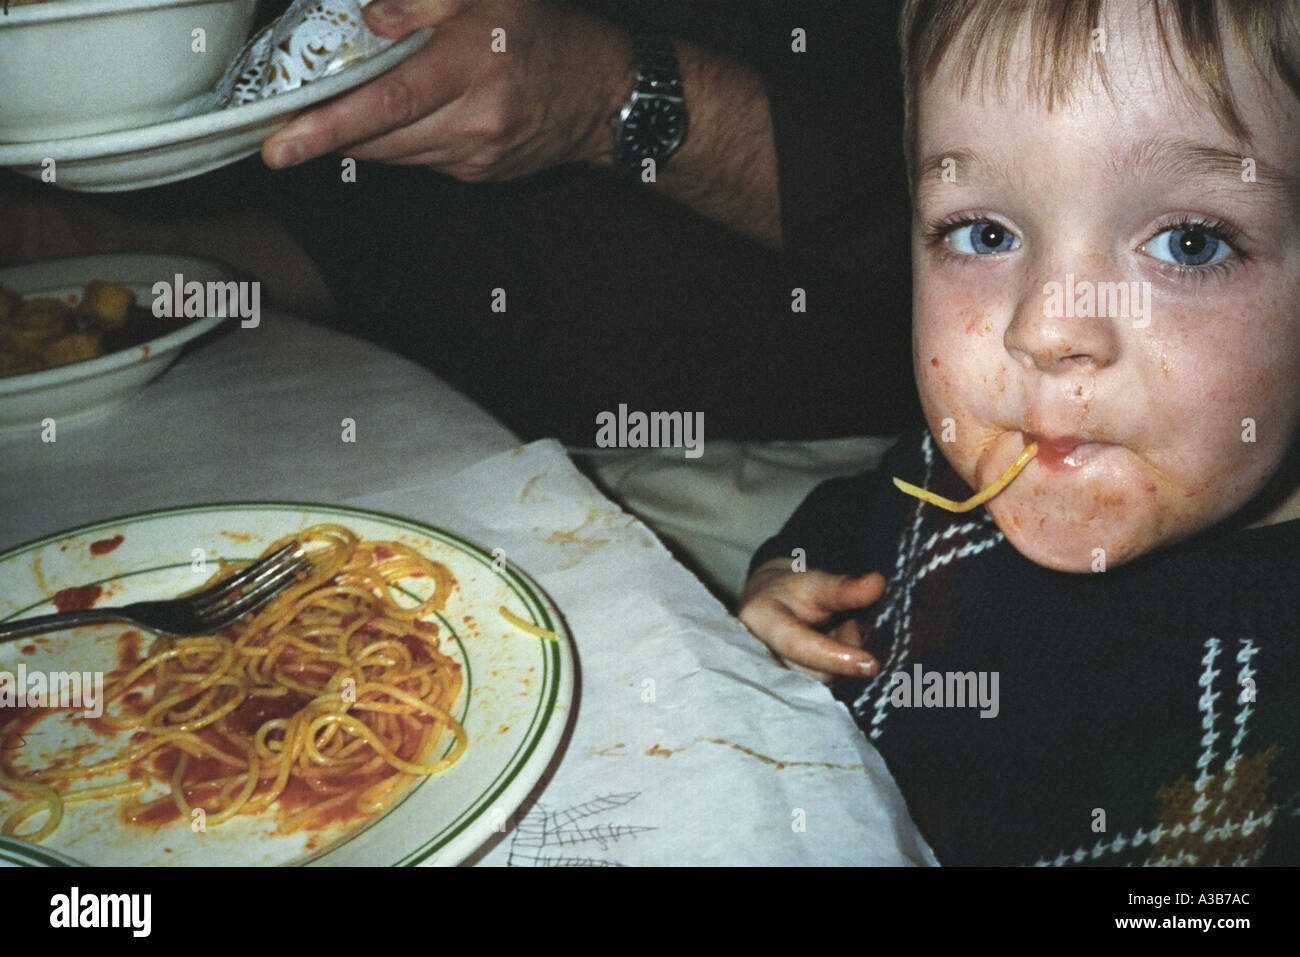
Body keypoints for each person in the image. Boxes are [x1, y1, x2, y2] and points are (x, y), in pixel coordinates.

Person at [737, 0, 1299, 866]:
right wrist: (789, 578)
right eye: (984, 232)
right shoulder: (980, 462)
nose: (1044, 329)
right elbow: (865, 512)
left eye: (1189, 243)